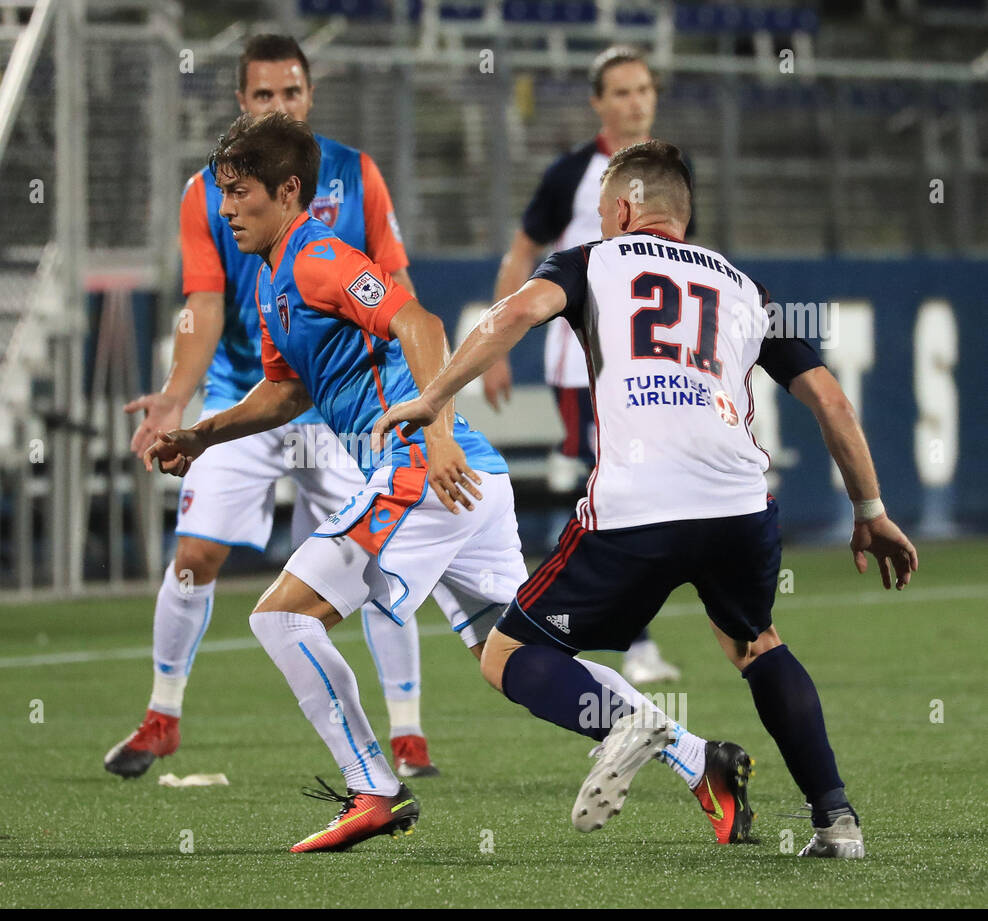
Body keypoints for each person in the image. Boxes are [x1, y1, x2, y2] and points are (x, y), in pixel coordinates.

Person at [147, 114, 747, 853]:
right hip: (471, 480)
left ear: (288, 190)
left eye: (238, 193)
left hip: (422, 472)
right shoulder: (274, 280)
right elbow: (284, 392)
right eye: (222, 194)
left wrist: (432, 440)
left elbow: (420, 324)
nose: (225, 208)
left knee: (282, 619)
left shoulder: (319, 257)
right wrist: (202, 436)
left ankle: (374, 788)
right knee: (515, 661)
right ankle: (699, 759)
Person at [373, 140, 919, 858]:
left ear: (624, 208)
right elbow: (833, 403)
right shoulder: (746, 287)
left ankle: (622, 721)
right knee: (755, 641)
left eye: (604, 209)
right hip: (738, 502)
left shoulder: (591, 261)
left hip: (638, 505)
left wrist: (433, 395)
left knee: (507, 653)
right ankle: (836, 820)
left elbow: (512, 316)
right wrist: (870, 511)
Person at [107, 35, 440, 780]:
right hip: (248, 391)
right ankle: (163, 715)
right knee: (195, 553)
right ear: (241, 102)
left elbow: (400, 289)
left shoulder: (356, 176)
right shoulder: (209, 190)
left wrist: (425, 398)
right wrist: (177, 397)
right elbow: (204, 301)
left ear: (309, 97)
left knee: (377, 562)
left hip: (344, 404)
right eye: (264, 95)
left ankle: (409, 733)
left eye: (291, 93)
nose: (279, 106)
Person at [483, 45, 689, 687]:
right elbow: (521, 256)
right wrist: (497, 343)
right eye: (622, 92)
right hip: (584, 363)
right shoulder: (573, 173)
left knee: (643, 488)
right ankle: (613, 631)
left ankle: (592, 624)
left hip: (652, 364)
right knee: (605, 486)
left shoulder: (670, 176)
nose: (636, 101)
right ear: (598, 103)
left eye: (644, 89)